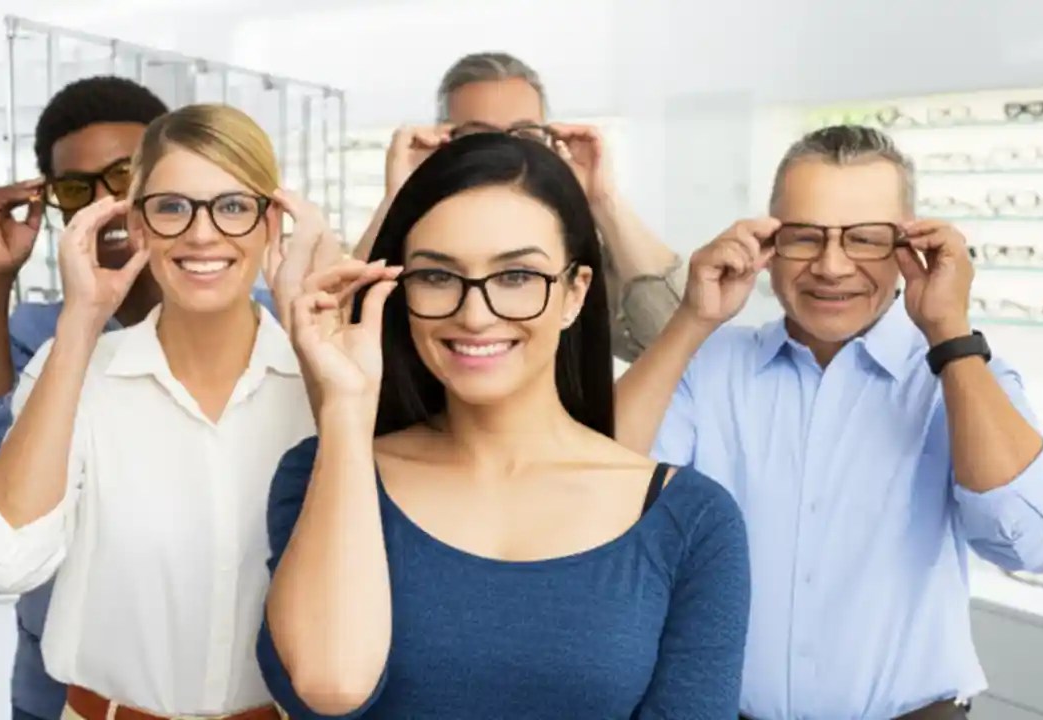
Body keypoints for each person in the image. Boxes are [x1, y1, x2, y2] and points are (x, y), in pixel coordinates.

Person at [258, 133, 750, 719]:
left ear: (575, 293)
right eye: (437, 277)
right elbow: (331, 685)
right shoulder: (321, 475)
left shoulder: (692, 519)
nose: (475, 315)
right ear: (396, 292)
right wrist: (345, 403)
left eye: (516, 276)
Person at [623, 125, 1043, 720]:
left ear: (909, 247)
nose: (831, 267)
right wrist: (691, 321)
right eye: (805, 237)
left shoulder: (965, 375)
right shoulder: (708, 365)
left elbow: (1030, 545)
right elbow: (591, 495)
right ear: (769, 244)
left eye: (866, 239)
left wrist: (949, 332)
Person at [0, 102, 369, 720]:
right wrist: (81, 322)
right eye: (173, 207)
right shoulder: (74, 370)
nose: (202, 234)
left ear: (272, 222)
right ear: (138, 225)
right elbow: (4, 560)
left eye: (233, 206)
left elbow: (372, 567)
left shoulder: (330, 379)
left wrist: (307, 328)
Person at [0, 75, 170, 720]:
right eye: (77, 188)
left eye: (125, 175)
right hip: (62, 688)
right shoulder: (40, 333)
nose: (107, 202)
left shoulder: (259, 318)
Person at [354, 51, 683, 362]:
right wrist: (397, 199)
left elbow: (683, 343)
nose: (506, 154)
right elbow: (343, 332)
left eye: (525, 135)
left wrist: (604, 200)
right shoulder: (419, 240)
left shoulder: (568, 248)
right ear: (443, 144)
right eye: (479, 137)